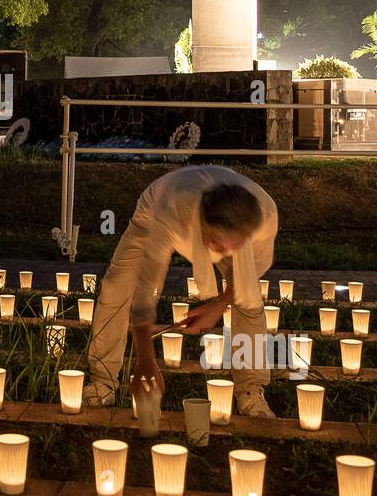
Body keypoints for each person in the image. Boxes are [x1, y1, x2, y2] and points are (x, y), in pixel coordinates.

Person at [84, 165, 279, 417]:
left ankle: (251, 389)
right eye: (214, 243)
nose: (219, 252)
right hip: (152, 212)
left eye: (229, 246)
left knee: (249, 303)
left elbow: (247, 280)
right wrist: (145, 361)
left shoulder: (264, 217)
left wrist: (218, 305)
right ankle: (103, 379)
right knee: (116, 286)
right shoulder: (172, 215)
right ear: (202, 225)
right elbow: (144, 292)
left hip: (228, 218)